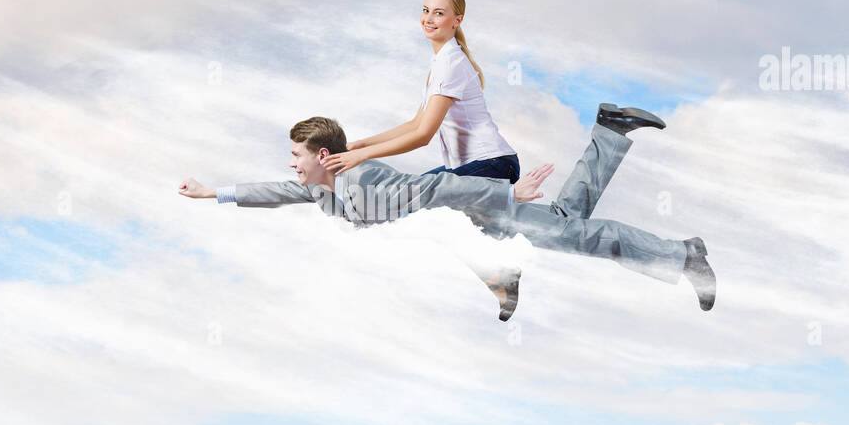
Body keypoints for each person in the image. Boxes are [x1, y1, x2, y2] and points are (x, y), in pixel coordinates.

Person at [177, 106, 717, 315]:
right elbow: (277, 190)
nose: (291, 166)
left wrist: (509, 196)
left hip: (479, 208)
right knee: (567, 225)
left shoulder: (364, 181)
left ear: (323, 156)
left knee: (583, 238)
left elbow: (439, 194)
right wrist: (213, 194)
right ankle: (612, 130)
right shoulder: (326, 187)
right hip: (467, 225)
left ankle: (683, 254)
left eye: (296, 156)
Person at [320, 0, 524, 313]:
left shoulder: (451, 64)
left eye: (438, 13)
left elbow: (424, 136)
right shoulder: (442, 61)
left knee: (415, 203)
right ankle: (502, 273)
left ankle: (502, 273)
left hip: (493, 165)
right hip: (483, 166)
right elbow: (416, 122)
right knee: (427, 214)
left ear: (457, 20)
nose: (428, 19)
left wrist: (362, 156)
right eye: (425, 10)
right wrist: (363, 142)